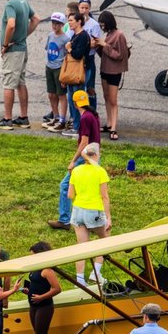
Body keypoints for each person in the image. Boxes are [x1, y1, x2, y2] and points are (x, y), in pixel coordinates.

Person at [0, 0, 40, 130]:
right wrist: (23, 35)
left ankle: (7, 119)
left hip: (13, 51)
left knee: (8, 84)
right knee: (20, 82)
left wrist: (5, 44)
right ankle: (23, 117)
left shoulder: (11, 5)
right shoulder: (23, 1)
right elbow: (36, 19)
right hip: (22, 48)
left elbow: (11, 25)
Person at [49, 90, 100, 230]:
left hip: (85, 158)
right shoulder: (93, 115)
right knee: (92, 190)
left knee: (65, 185)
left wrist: (73, 160)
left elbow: (84, 142)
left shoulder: (84, 118)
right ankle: (95, 222)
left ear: (75, 103)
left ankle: (64, 220)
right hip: (94, 157)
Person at [68, 143, 111, 286]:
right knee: (105, 240)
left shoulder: (77, 170)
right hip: (94, 211)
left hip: (77, 210)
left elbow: (70, 194)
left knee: (82, 246)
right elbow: (104, 196)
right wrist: (108, 218)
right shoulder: (100, 171)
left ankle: (79, 280)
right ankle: (96, 273)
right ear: (97, 155)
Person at [25, 241, 61, 334]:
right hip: (34, 306)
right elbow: (37, 284)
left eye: (33, 255)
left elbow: (57, 288)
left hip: (44, 307)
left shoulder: (47, 270)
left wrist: (41, 297)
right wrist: (29, 291)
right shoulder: (35, 268)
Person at [94, 10, 129, 141]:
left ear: (108, 23)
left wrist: (105, 45)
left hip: (114, 73)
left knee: (113, 101)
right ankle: (109, 124)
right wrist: (98, 46)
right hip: (105, 70)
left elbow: (119, 55)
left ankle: (114, 127)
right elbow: (104, 54)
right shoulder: (108, 35)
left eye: (103, 24)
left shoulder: (119, 35)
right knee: (106, 97)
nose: (102, 27)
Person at [60, 12, 90, 138]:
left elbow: (78, 55)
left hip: (78, 72)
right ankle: (74, 124)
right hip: (72, 73)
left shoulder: (83, 36)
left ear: (79, 21)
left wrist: (69, 49)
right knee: (72, 100)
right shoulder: (75, 35)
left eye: (71, 20)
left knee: (77, 100)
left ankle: (78, 127)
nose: (69, 22)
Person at [43, 12, 70, 131]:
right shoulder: (50, 36)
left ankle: (62, 120)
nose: (55, 26)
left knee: (61, 94)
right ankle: (55, 116)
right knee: (51, 94)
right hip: (49, 67)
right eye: (53, 23)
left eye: (58, 24)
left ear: (62, 25)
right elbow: (47, 48)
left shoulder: (66, 39)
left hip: (59, 68)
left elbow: (67, 56)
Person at [77, 0, 103, 109]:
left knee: (90, 87)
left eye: (86, 8)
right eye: (82, 8)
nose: (84, 10)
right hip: (77, 59)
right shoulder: (76, 22)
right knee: (78, 88)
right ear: (78, 8)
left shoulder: (94, 24)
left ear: (89, 9)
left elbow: (95, 43)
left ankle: (92, 111)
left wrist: (86, 45)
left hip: (89, 58)